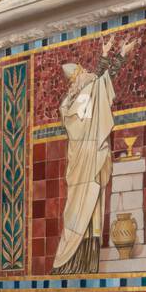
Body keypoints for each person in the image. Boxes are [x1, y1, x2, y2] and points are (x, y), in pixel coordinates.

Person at [52, 34, 136, 274]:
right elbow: (98, 82)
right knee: (79, 209)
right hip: (83, 161)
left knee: (92, 209)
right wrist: (109, 55)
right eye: (82, 71)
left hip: (90, 160)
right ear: (77, 78)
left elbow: (101, 81)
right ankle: (69, 260)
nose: (86, 72)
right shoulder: (77, 101)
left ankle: (86, 262)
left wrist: (115, 54)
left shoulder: (82, 97)